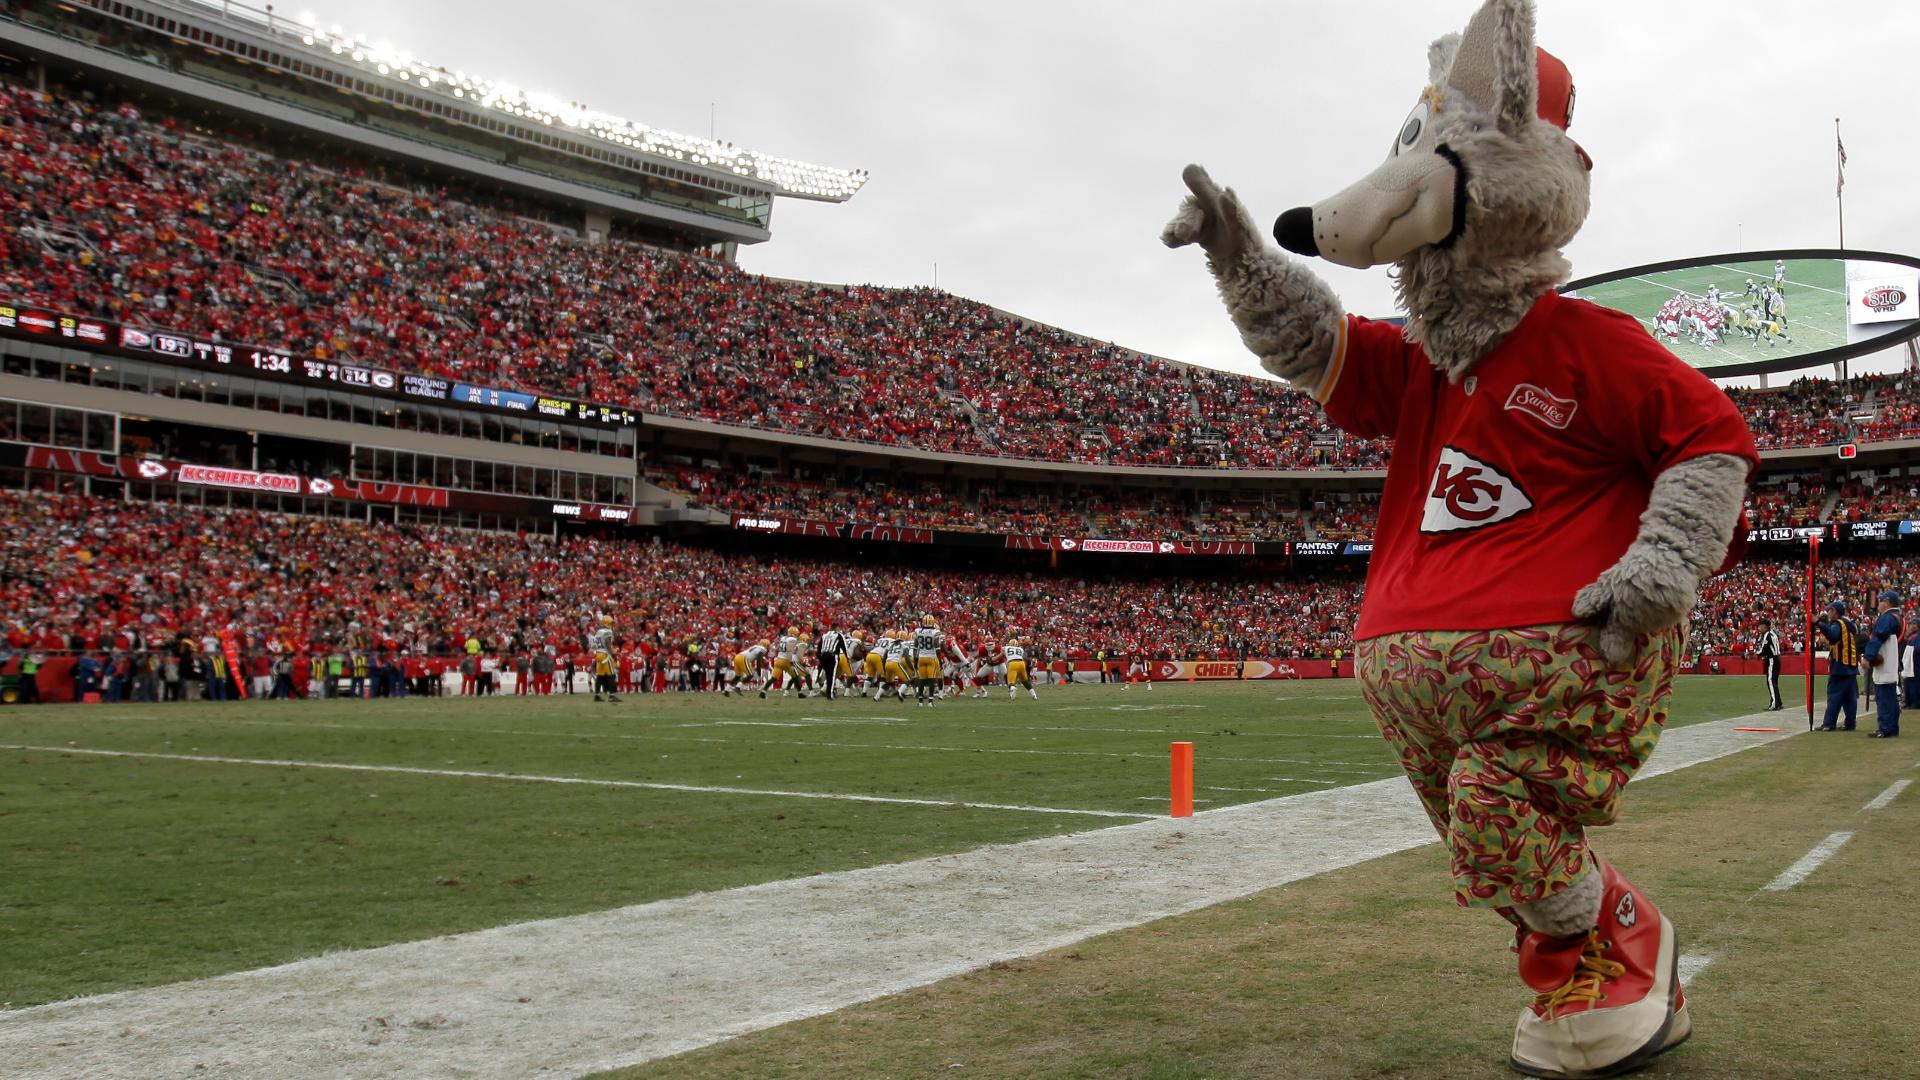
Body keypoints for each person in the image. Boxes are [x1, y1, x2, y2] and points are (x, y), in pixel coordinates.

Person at [1862, 590, 1904, 738]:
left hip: (1885, 659)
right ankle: (1891, 727)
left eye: (1881, 601)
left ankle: (1885, 727)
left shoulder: (1887, 618)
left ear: (1887, 602)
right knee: (1890, 696)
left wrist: (1868, 656)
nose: (1878, 604)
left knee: (1884, 696)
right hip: (1891, 659)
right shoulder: (1897, 617)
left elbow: (1878, 637)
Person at [1815, 601, 1861, 731]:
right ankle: (1850, 723)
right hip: (1850, 665)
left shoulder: (1838, 624)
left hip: (1841, 666)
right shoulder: (1849, 624)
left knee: (1834, 695)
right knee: (1849, 697)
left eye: (1830, 610)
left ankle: (1829, 723)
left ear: (1834, 611)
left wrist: (1819, 623)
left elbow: (1834, 636)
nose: (1828, 613)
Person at [1757, 619, 1783, 710]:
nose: (1759, 628)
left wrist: (1757, 653)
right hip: (1776, 659)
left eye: (1760, 626)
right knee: (1774, 682)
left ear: (1765, 626)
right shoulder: (1773, 634)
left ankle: (1774, 704)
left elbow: (1764, 648)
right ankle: (1778, 702)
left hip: (1772, 659)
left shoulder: (1767, 635)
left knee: (1771, 681)